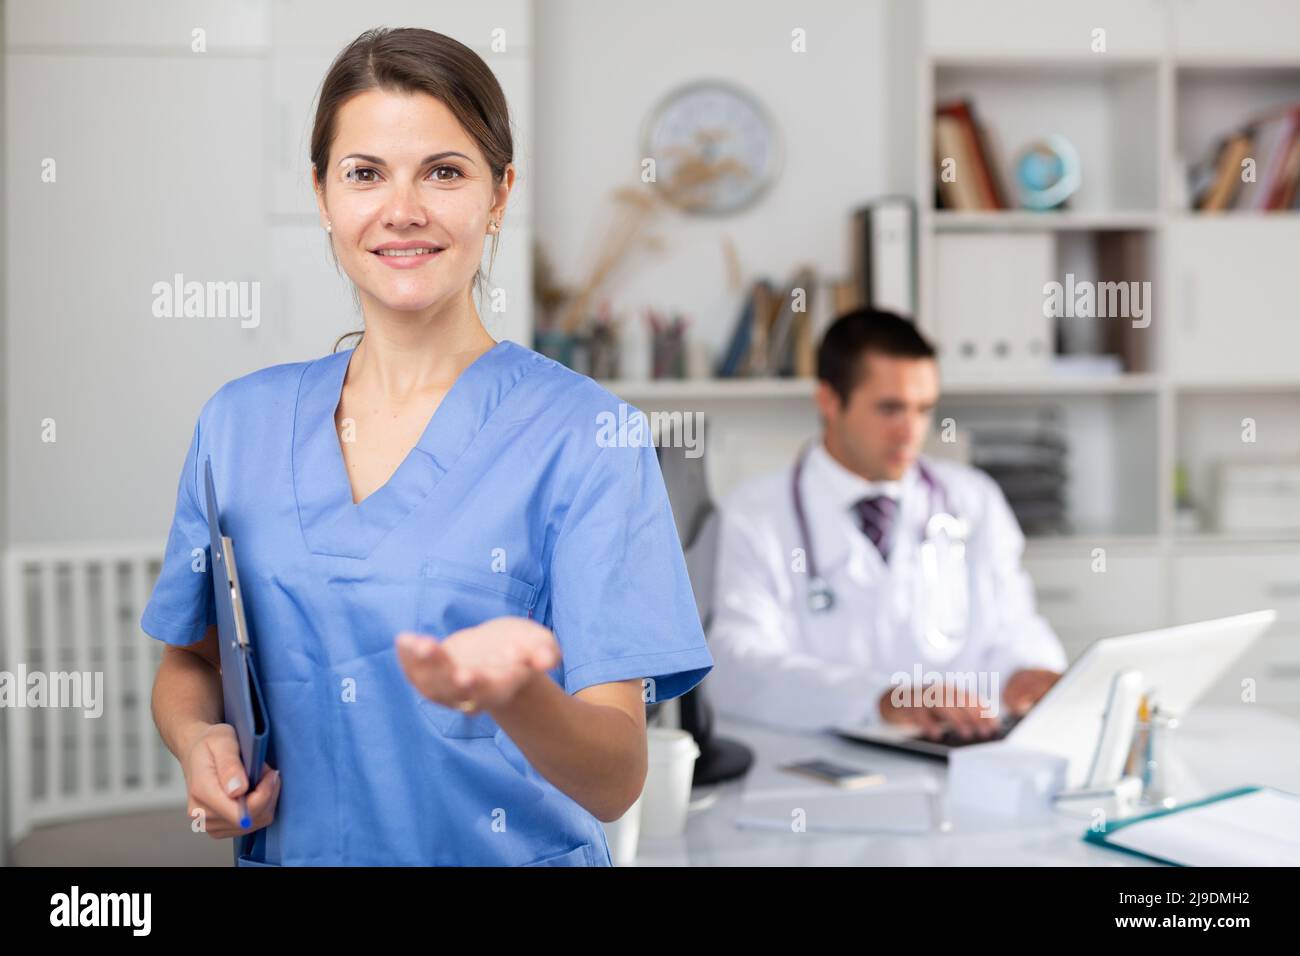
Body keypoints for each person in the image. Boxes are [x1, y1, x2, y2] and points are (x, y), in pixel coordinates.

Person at [143, 27, 711, 866]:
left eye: (444, 172)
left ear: (498, 194)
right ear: (323, 193)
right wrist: (199, 745)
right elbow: (188, 662)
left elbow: (617, 775)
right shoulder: (237, 426)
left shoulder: (587, 437)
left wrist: (518, 696)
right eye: (364, 173)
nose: (401, 210)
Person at [707, 308, 1064, 738]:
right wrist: (880, 698)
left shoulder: (973, 500)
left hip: (961, 758)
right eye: (890, 409)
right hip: (812, 770)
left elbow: (1014, 625)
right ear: (829, 401)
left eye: (923, 409)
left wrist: (1026, 671)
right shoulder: (752, 516)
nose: (910, 432)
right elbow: (736, 667)